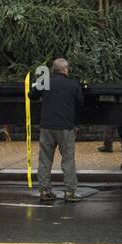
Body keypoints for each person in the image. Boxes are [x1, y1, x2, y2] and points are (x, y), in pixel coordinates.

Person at [37, 57, 84, 202]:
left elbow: (32, 95)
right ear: (65, 69)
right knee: (68, 160)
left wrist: (41, 78)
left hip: (47, 126)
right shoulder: (73, 84)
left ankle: (45, 191)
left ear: (53, 70)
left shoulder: (45, 82)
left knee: (45, 159)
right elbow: (80, 103)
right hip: (65, 127)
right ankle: (70, 192)